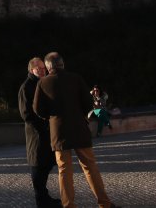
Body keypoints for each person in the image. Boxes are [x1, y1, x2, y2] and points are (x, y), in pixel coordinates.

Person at [33, 52, 115, 208]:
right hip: (79, 129)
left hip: (59, 132)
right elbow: (88, 103)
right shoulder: (75, 78)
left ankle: (68, 205)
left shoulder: (43, 83)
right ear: (62, 64)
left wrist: (51, 116)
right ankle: (105, 203)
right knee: (90, 167)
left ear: (49, 66)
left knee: (64, 171)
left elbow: (38, 109)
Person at [19, 57, 60, 208]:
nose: (43, 71)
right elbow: (26, 114)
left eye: (44, 68)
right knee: (38, 165)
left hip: (47, 132)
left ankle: (44, 196)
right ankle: (41, 200)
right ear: (31, 70)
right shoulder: (26, 87)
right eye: (39, 69)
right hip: (37, 134)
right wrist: (42, 127)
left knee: (47, 164)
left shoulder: (42, 83)